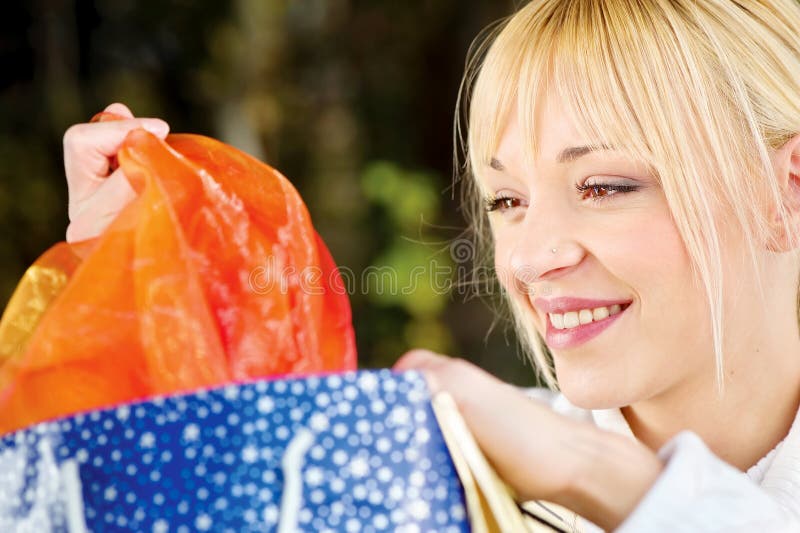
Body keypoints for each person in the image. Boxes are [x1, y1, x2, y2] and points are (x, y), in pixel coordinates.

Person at [63, 1, 800, 531]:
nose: (533, 256)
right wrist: (121, 295)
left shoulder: (545, 455)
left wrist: (596, 471)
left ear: (785, 190)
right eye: (507, 199)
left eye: (604, 186)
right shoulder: (437, 474)